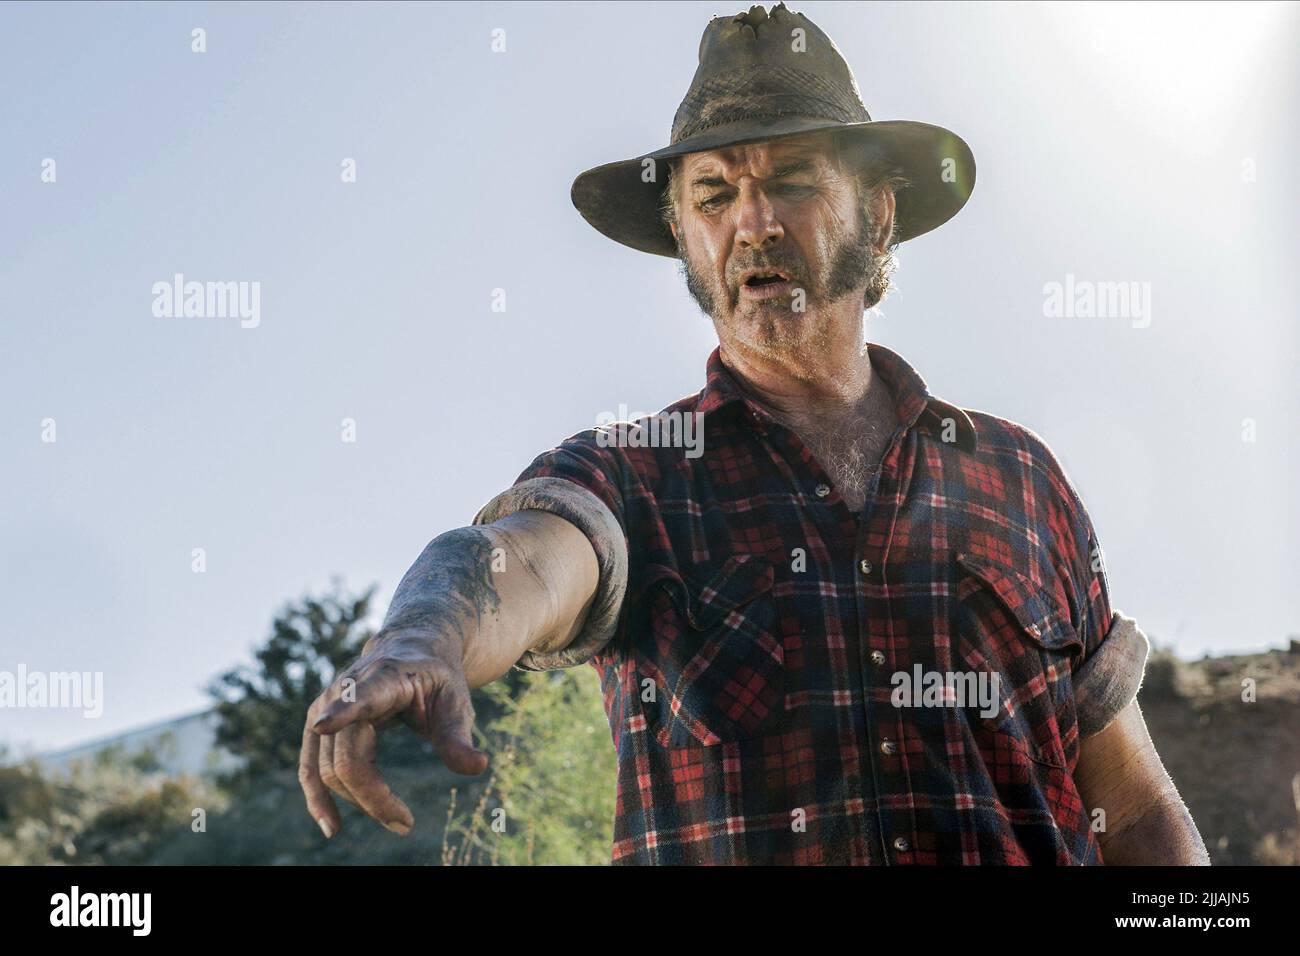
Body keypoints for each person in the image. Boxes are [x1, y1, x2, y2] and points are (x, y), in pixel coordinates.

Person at [299, 2, 1208, 865]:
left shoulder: (1019, 478)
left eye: (792, 181)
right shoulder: (637, 476)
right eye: (713, 195)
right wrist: (423, 638)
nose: (753, 222)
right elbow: (520, 562)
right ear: (683, 237)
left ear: (879, 212)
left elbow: (1130, 808)